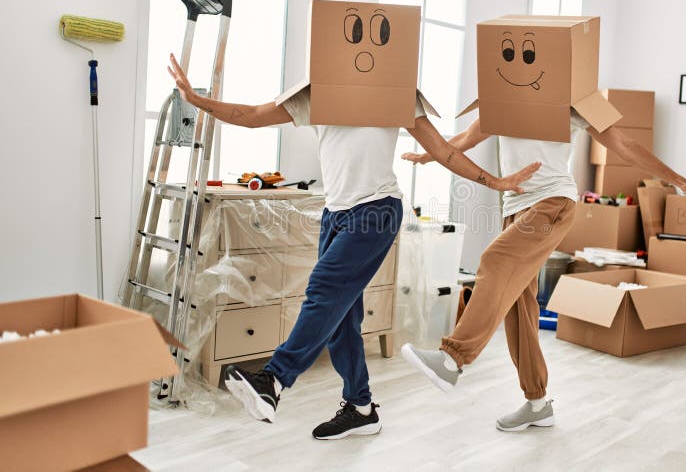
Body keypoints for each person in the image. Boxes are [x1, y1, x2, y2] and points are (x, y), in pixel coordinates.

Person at [167, 54, 540, 440]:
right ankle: (361, 407)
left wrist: (494, 182)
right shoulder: (315, 91)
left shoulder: (395, 91)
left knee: (323, 290)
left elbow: (444, 151)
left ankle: (274, 380)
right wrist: (197, 101)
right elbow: (252, 115)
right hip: (336, 214)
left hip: (377, 211)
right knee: (341, 319)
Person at [399, 112, 686, 432]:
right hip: (515, 208)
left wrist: (681, 181)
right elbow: (465, 139)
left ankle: (452, 359)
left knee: (494, 261)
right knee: (519, 306)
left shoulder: (569, 100)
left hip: (552, 202)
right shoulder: (501, 96)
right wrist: (427, 157)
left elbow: (623, 144)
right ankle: (538, 403)